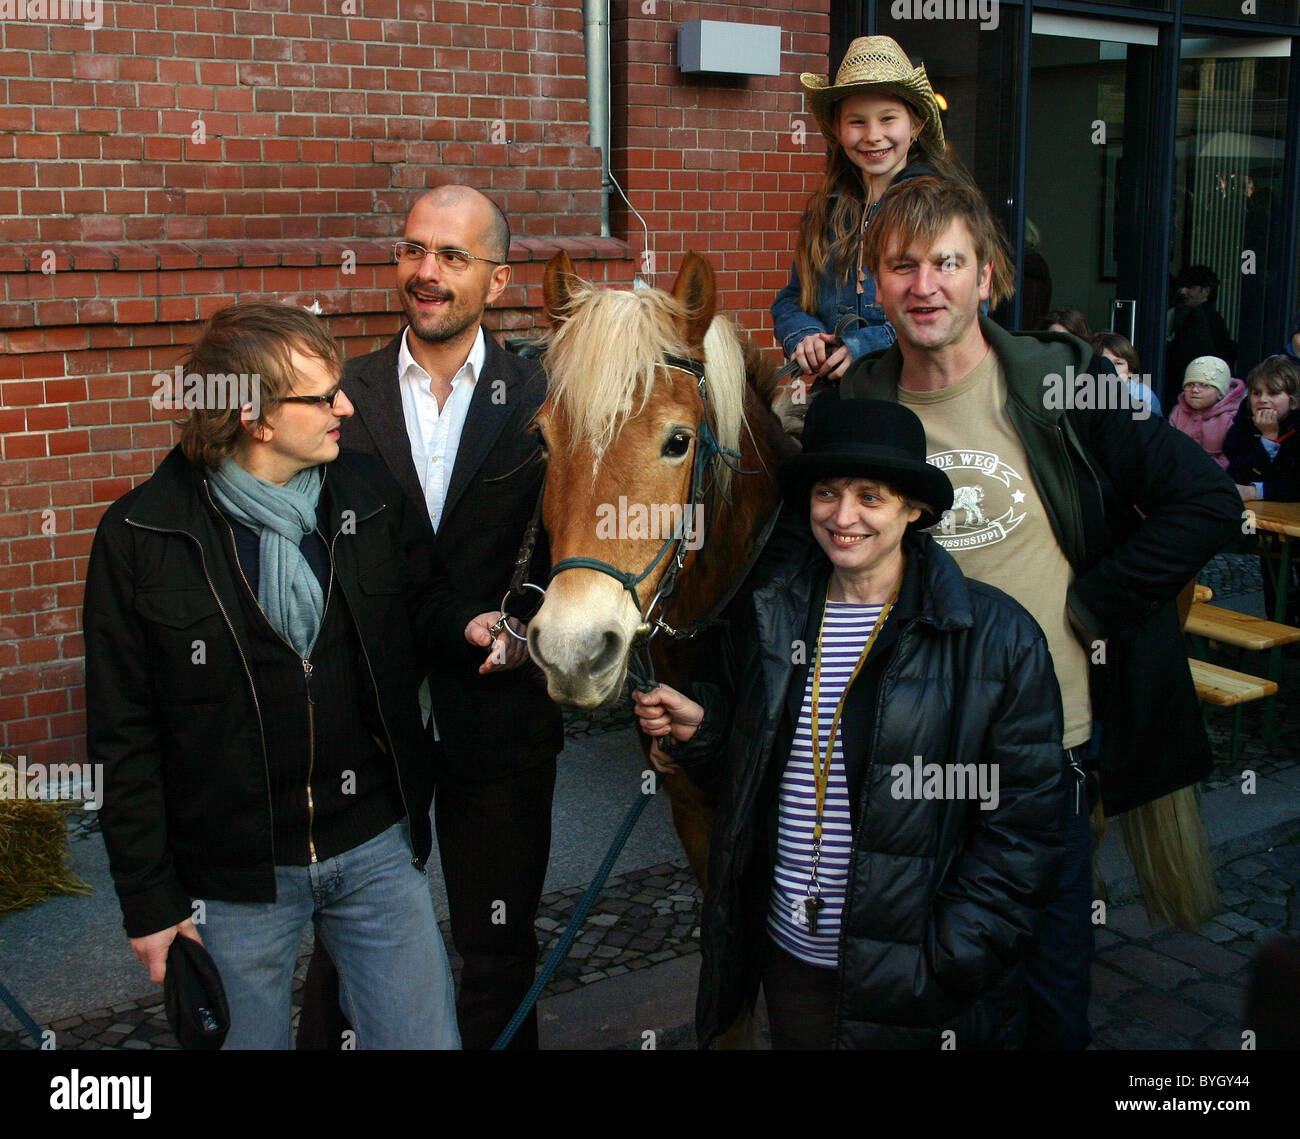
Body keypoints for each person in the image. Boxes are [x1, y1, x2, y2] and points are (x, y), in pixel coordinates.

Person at [836, 175, 1241, 1048]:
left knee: (1049, 997)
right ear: (875, 283)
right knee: (916, 994)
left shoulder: (1063, 384)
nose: (924, 285)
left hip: (1045, 751)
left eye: (947, 261)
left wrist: (1094, 606)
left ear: (988, 276)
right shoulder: (858, 403)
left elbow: (1203, 501)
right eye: (901, 265)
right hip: (909, 750)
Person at [84, 303, 524, 1049]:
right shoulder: (142, 536)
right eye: (323, 398)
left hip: (375, 845)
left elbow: (418, 599)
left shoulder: (365, 494)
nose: (346, 406)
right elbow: (122, 734)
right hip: (234, 875)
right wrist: (150, 901)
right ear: (253, 417)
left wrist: (465, 624)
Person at [632, 397, 1067, 1049]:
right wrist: (709, 730)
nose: (843, 516)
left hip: (921, 987)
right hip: (793, 960)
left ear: (913, 508)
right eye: (827, 492)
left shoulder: (996, 639)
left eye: (871, 496)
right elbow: (760, 775)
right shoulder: (773, 617)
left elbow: (1024, 833)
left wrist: (944, 961)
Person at [333, 184, 563, 1050]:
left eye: (453, 257)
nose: (425, 273)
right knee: (343, 952)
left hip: (498, 713)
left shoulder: (544, 399)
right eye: (412, 250)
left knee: (497, 947)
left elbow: (569, 543)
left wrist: (526, 622)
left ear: (497, 281)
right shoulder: (340, 398)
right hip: (363, 723)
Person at [771, 36, 986, 383]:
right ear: (838, 131)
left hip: (920, 390)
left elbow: (967, 309)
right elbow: (792, 299)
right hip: (839, 394)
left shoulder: (944, 210)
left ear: (915, 126)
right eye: (857, 122)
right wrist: (803, 333)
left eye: (887, 119)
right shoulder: (827, 211)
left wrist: (865, 345)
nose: (873, 135)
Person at [1225, 356, 1300, 621]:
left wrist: (1257, 490)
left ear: (1293, 399)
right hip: (1266, 524)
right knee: (1273, 564)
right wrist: (1267, 439)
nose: (1263, 399)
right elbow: (1237, 470)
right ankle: (1278, 623)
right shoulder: (1244, 425)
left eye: (1274, 393)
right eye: (1257, 392)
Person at [1167, 264, 1236, 405]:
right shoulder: (1185, 314)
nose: (1183, 291)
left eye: (1190, 287)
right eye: (1182, 286)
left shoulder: (1206, 320)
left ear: (1205, 291)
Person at [1169, 355, 1245, 470]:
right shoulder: (1178, 412)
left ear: (1220, 393)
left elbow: (1233, 454)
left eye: (1204, 385)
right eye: (1190, 385)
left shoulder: (1232, 416)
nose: (1195, 390)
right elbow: (1169, 445)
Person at [1091, 330, 1163, 417]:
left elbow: (1153, 428)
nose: (1111, 368)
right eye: (1105, 363)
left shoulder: (1143, 395)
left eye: (1118, 363)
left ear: (1130, 370)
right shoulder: (1086, 394)